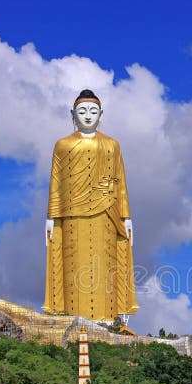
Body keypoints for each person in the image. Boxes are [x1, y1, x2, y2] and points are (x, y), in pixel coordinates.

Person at [43, 89, 138, 320]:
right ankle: (71, 317)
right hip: (71, 215)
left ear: (101, 114)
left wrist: (126, 217)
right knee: (73, 265)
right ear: (72, 114)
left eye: (93, 111)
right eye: (82, 111)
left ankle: (107, 318)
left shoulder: (112, 145)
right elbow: (56, 182)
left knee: (104, 264)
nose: (88, 116)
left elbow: (121, 181)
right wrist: (51, 217)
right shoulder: (62, 145)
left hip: (105, 213)